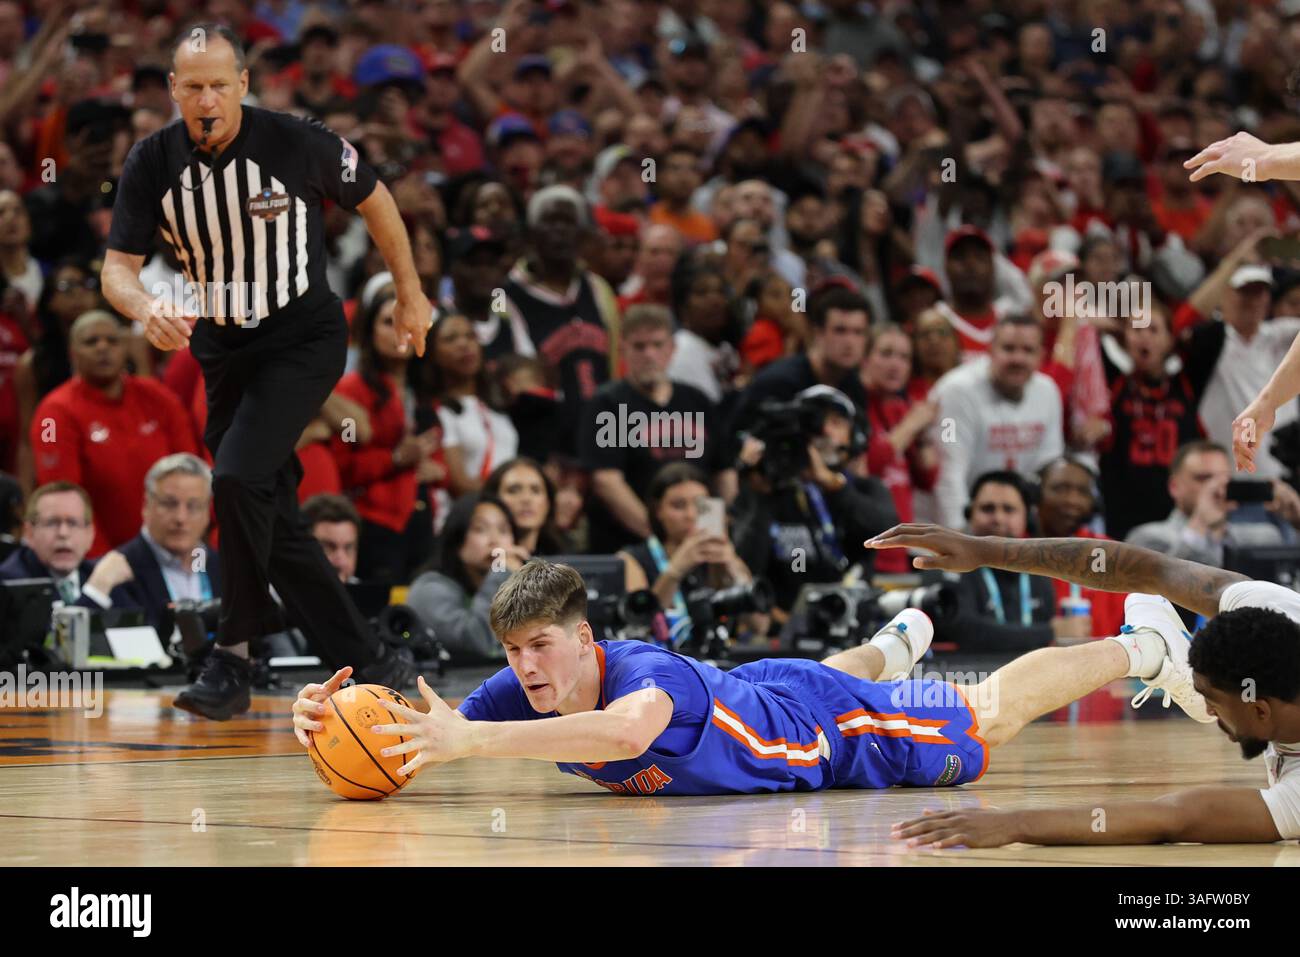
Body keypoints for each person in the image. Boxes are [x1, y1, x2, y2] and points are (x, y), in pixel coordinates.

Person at [291, 553, 1208, 801]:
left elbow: (623, 735)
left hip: (829, 737)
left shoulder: (639, 675)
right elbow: (409, 730)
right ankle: (892, 649)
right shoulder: (520, 690)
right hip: (762, 687)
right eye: (512, 649)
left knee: (983, 715)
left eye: (541, 646)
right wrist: (327, 723)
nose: (525, 667)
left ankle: (1143, 645)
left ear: (584, 637)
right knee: (819, 675)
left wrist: (473, 741)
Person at [101, 23, 427, 718]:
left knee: (237, 477)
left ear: (244, 85)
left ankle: (232, 655)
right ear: (173, 91)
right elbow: (116, 270)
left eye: (221, 84)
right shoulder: (151, 162)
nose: (208, 98)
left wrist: (410, 291)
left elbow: (376, 199)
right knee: (266, 510)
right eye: (193, 87)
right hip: (221, 346)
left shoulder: (295, 140)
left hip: (301, 335)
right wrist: (143, 308)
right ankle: (371, 656)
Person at [870, 523, 1299, 846]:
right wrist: (985, 549)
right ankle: (1159, 652)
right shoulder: (1271, 610)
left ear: (1260, 708)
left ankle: (1157, 652)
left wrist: (1015, 823)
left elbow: (1172, 817)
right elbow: (1142, 568)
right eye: (1205, 697)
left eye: (1214, 702)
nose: (1208, 712)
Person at [30, 310, 198, 556]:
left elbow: (192, 470)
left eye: (112, 340)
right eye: (91, 342)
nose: (103, 348)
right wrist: (102, 562)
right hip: (99, 556)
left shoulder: (158, 396)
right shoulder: (52, 414)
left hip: (172, 549)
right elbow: (62, 498)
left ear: (125, 348)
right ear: (73, 354)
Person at [732, 385, 897, 614]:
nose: (826, 432)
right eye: (817, 424)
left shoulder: (864, 488)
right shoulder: (768, 489)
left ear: (855, 435)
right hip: (782, 633)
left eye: (837, 423)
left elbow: (886, 531)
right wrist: (759, 494)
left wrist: (832, 484)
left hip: (851, 620)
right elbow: (745, 567)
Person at [580, 304, 725, 553]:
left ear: (672, 349)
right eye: (639, 346)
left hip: (699, 542)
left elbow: (723, 472)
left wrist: (710, 533)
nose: (649, 354)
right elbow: (607, 482)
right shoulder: (608, 404)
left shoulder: (697, 400)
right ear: (623, 349)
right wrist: (661, 538)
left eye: (658, 345)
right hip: (631, 547)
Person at [331, 289, 438, 584]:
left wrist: (437, 471)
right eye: (388, 323)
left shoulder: (426, 391)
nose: (399, 331)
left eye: (406, 321)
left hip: (422, 520)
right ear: (368, 333)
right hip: (375, 524)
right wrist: (395, 459)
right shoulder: (351, 390)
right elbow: (344, 467)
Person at [928, 314, 1064, 530]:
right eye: (1009, 349)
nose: (1018, 359)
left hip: (1009, 526)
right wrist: (958, 539)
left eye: (1028, 350)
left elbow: (1048, 467)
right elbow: (948, 474)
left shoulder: (1047, 392)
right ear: (990, 350)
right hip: (947, 527)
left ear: (1041, 356)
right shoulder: (954, 392)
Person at [77, 453, 221, 639]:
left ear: (207, 513)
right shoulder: (113, 575)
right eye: (169, 504)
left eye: (193, 506)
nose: (180, 518)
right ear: (146, 506)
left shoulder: (225, 568)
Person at [617, 462, 754, 648]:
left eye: (700, 506)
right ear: (658, 511)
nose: (691, 514)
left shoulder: (719, 555)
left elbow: (759, 625)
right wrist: (675, 570)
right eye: (679, 506)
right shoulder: (632, 559)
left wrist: (732, 566)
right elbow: (637, 628)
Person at [940, 471, 1072, 653]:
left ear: (1028, 518)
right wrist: (1050, 632)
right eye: (988, 509)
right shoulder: (948, 563)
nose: (998, 519)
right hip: (968, 677)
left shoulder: (1039, 571)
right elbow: (966, 631)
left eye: (1009, 510)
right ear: (969, 514)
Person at [406, 492, 528, 663]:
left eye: (503, 530)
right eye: (480, 529)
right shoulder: (429, 589)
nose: (495, 540)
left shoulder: (513, 586)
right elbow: (479, 643)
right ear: (457, 539)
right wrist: (500, 570)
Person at [0, 481, 132, 611]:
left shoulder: (93, 573)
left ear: (90, 534)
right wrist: (95, 593)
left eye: (73, 523)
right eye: (52, 523)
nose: (63, 533)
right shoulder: (10, 582)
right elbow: (48, 632)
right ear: (29, 533)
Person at [483, 456, 568, 556]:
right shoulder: (480, 560)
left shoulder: (565, 560)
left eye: (535, 490)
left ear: (548, 504)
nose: (526, 499)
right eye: (513, 490)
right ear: (493, 501)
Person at [301, 493, 362, 585]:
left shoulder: (368, 596)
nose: (341, 562)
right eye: (329, 547)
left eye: (348, 548)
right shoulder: (274, 595)